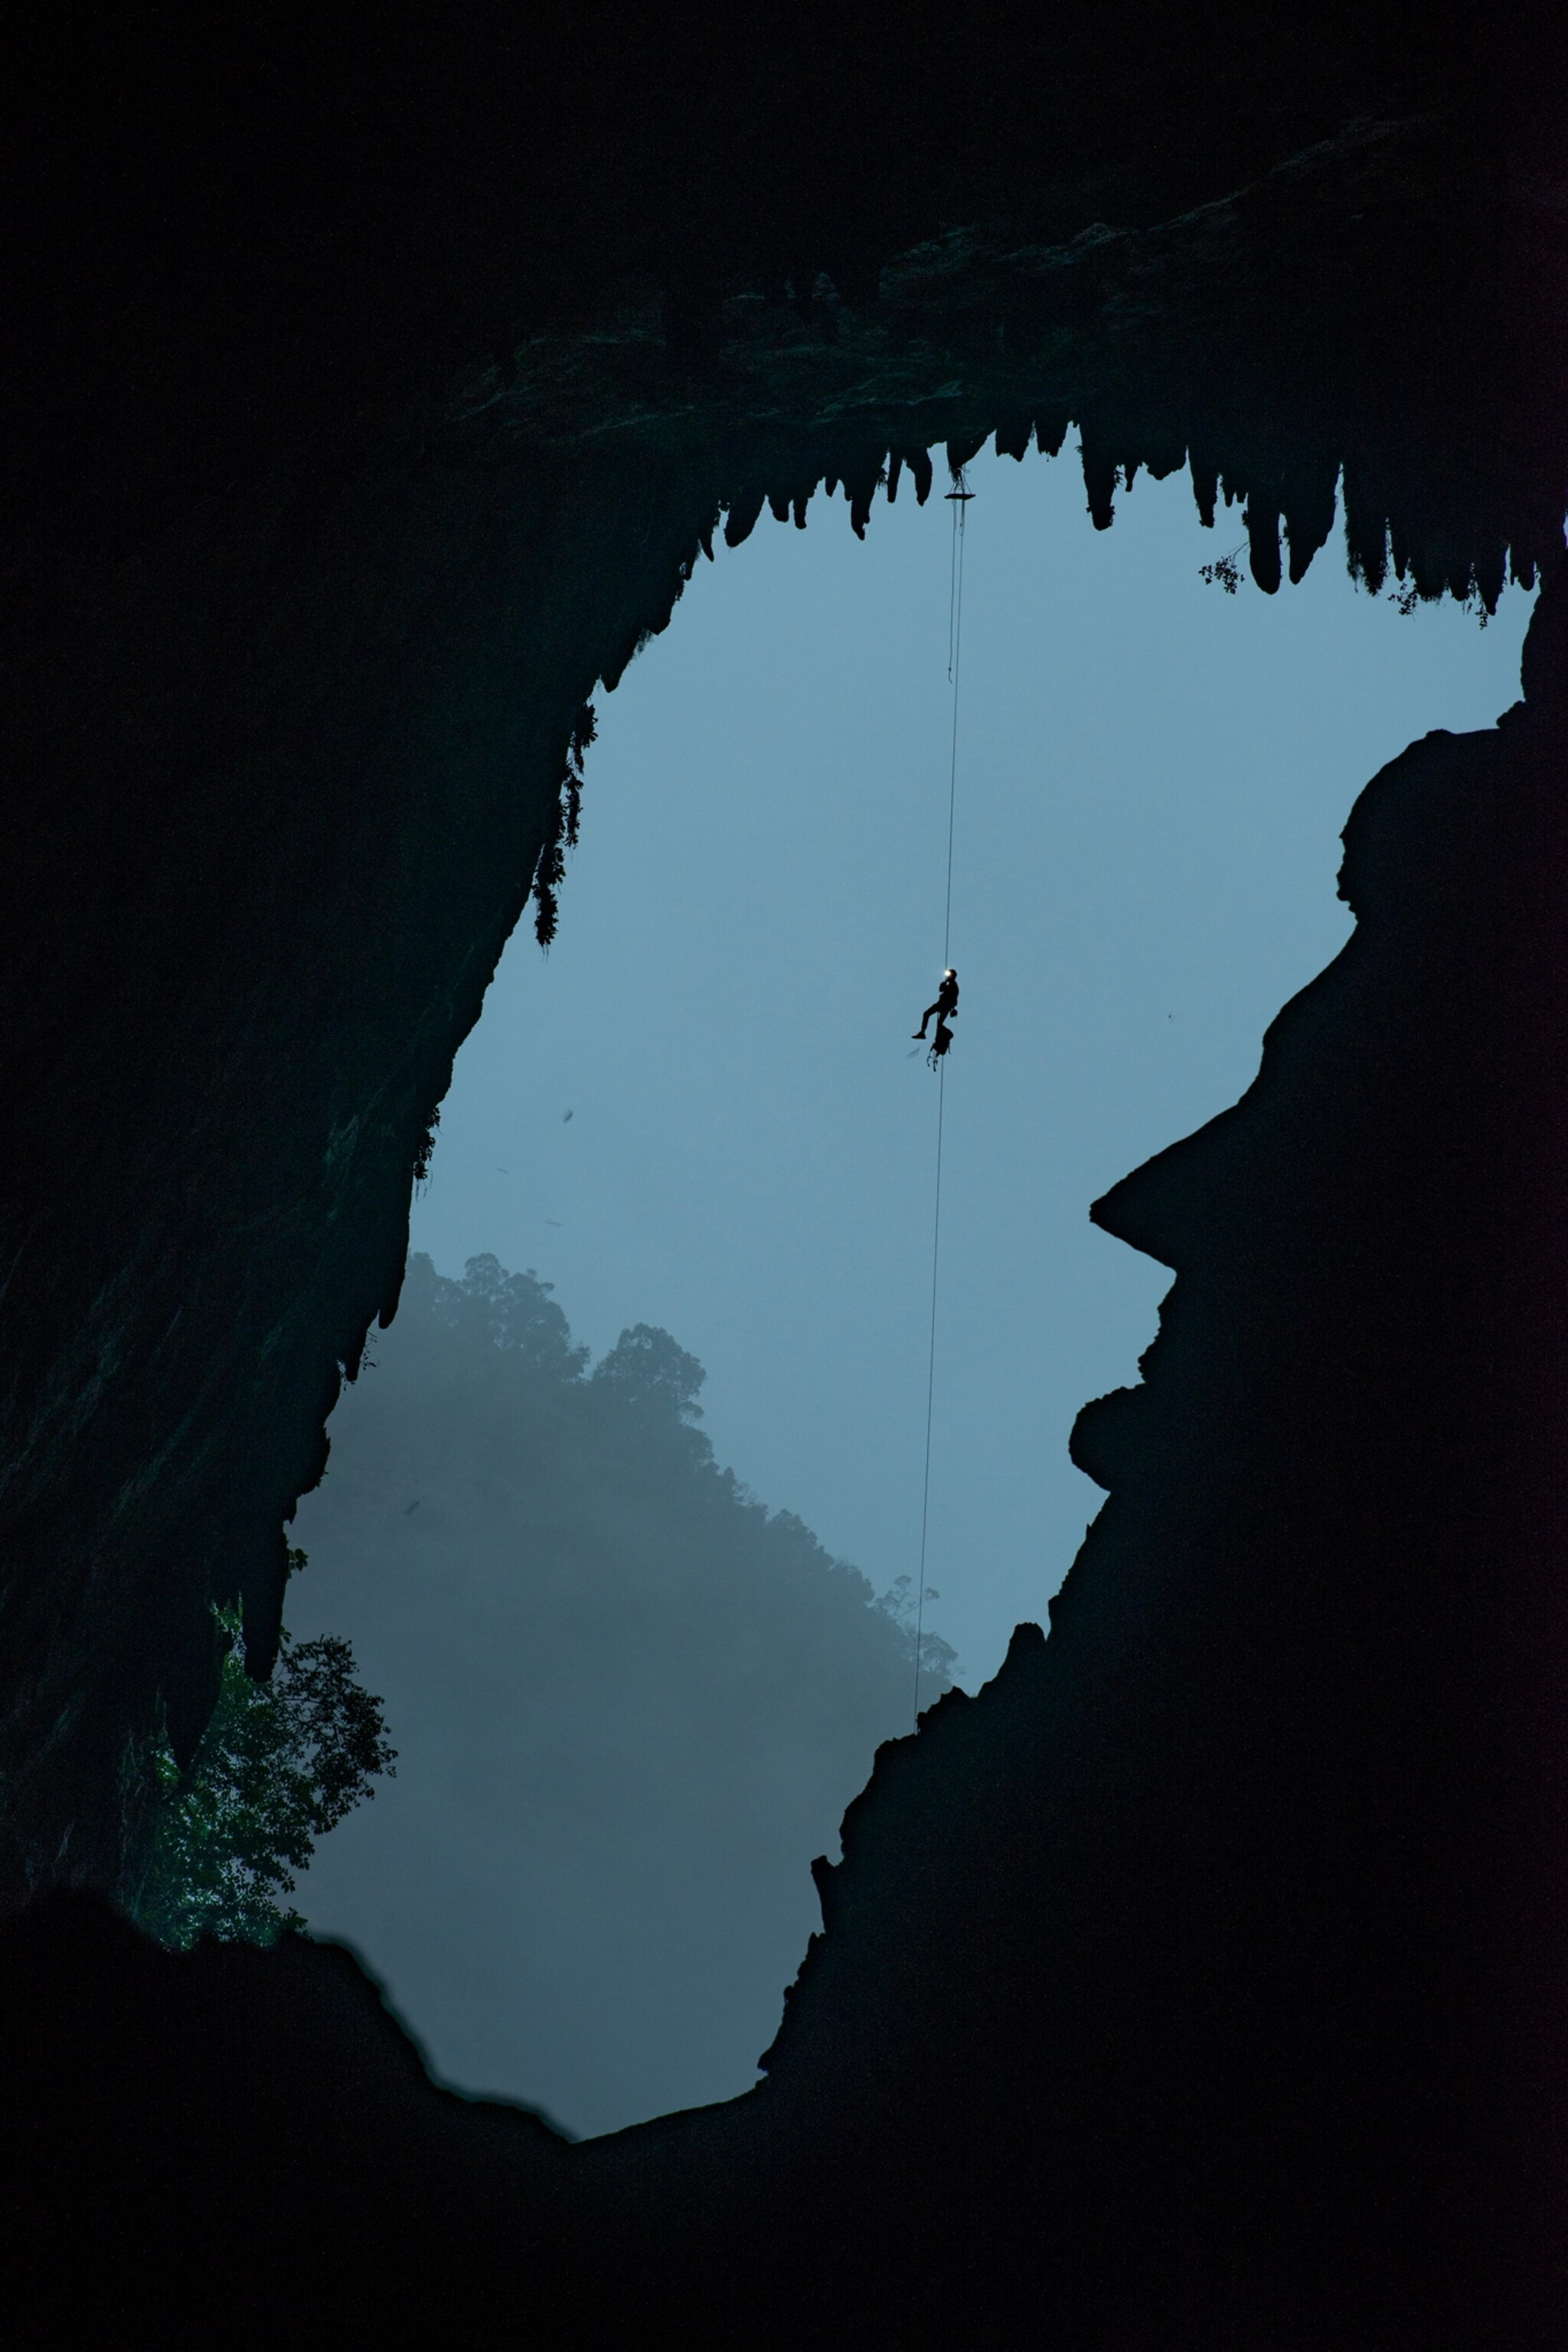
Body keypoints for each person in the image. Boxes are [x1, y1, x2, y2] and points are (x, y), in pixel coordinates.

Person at [913, 968, 959, 1040]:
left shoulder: (954, 986)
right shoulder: (949, 985)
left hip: (945, 1006)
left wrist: (952, 1008)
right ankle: (922, 1033)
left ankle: (943, 1038)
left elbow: (954, 1000)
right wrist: (944, 983)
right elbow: (941, 990)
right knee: (927, 1014)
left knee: (939, 1024)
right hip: (940, 1004)